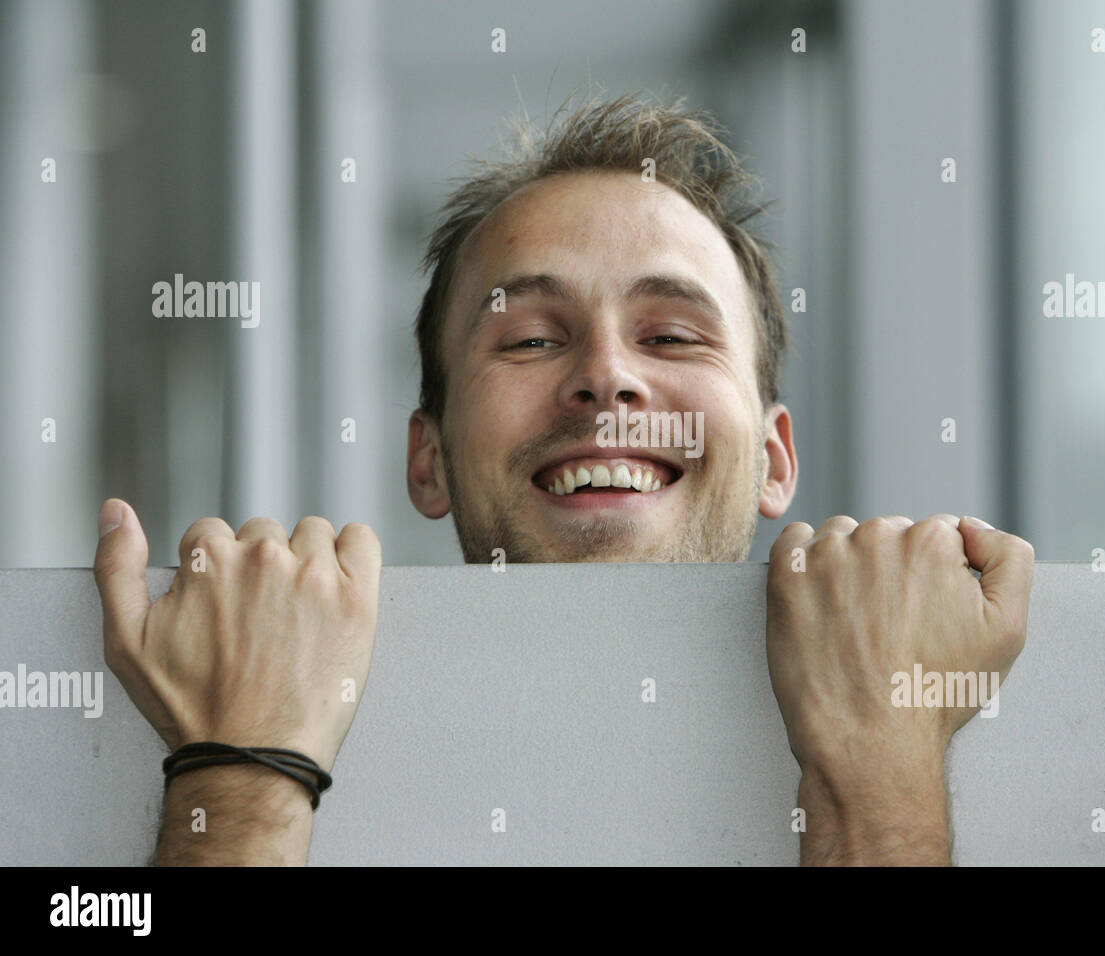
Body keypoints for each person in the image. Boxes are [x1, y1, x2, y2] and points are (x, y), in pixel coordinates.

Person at [92, 93, 1034, 866]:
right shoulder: (269, 723)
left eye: (671, 335)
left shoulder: (936, 731)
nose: (607, 377)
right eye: (533, 339)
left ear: (774, 459)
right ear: (429, 458)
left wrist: (879, 780)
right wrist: (242, 781)